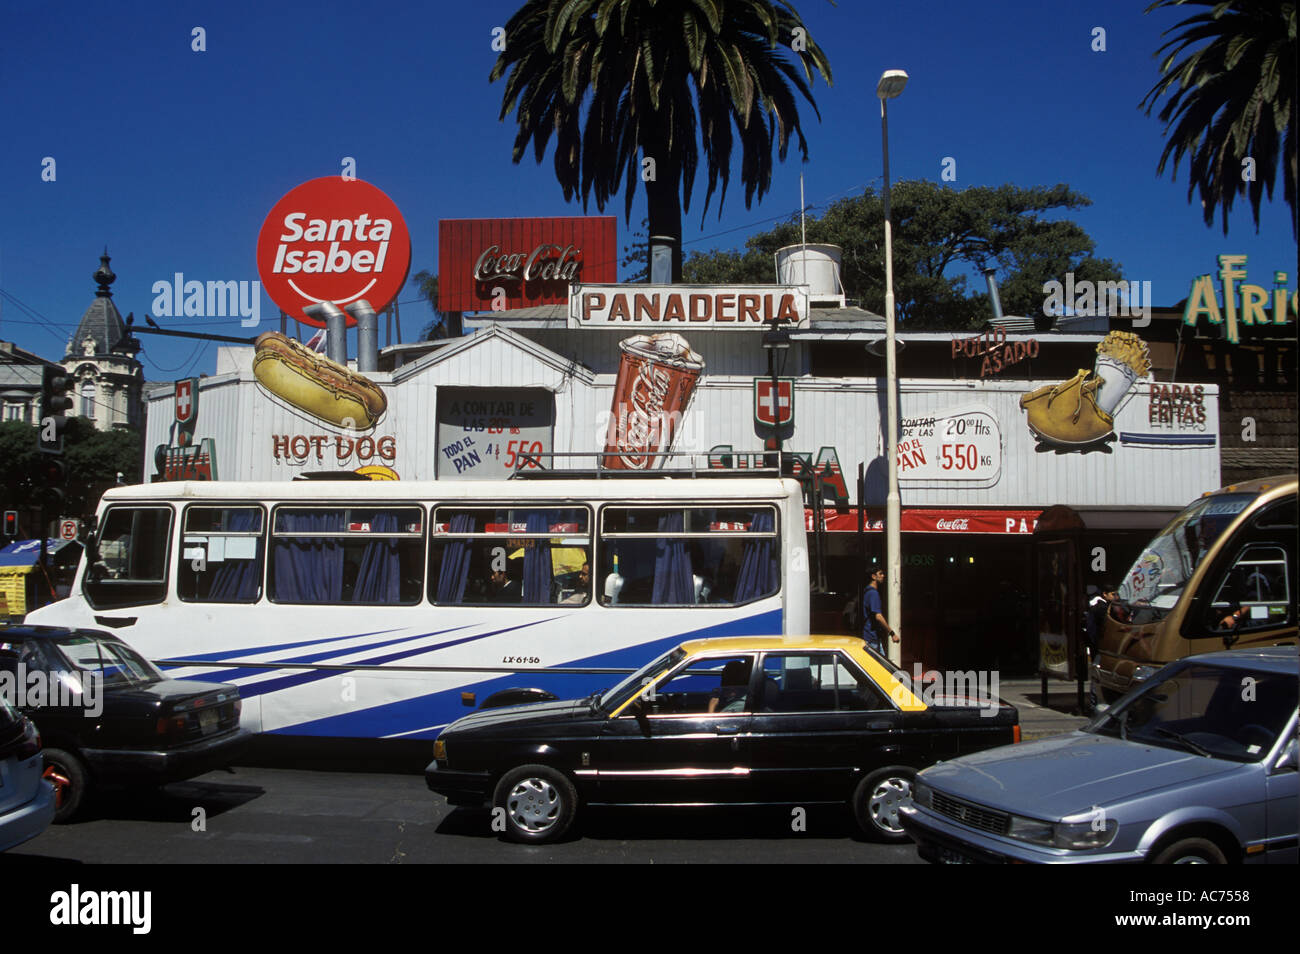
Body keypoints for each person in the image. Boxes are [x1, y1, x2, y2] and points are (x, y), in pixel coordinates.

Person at [862, 567, 900, 655]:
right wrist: (892, 633)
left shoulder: (868, 591)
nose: (883, 576)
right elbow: (878, 616)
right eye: (880, 573)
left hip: (871, 637)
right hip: (872, 638)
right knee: (879, 667)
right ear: (873, 576)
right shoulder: (873, 593)